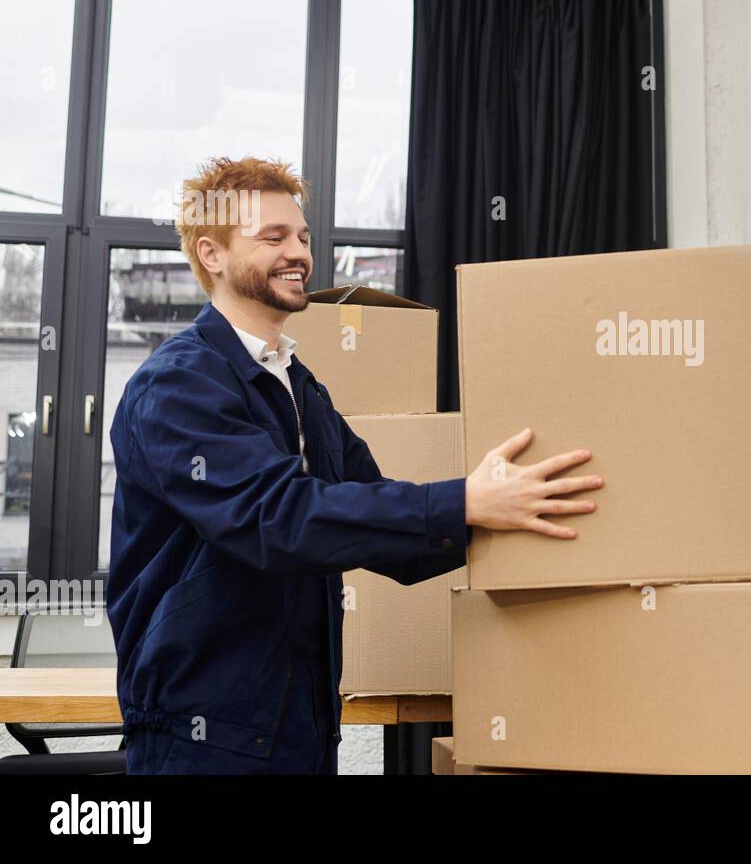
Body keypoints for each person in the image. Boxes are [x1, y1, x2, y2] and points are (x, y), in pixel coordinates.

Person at [106, 156, 602, 774]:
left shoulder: (298, 387)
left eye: (304, 237)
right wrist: (466, 501)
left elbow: (384, 529)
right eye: (273, 238)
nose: (299, 253)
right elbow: (278, 518)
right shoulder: (179, 385)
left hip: (301, 728)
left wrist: (516, 508)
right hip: (202, 739)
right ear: (212, 254)